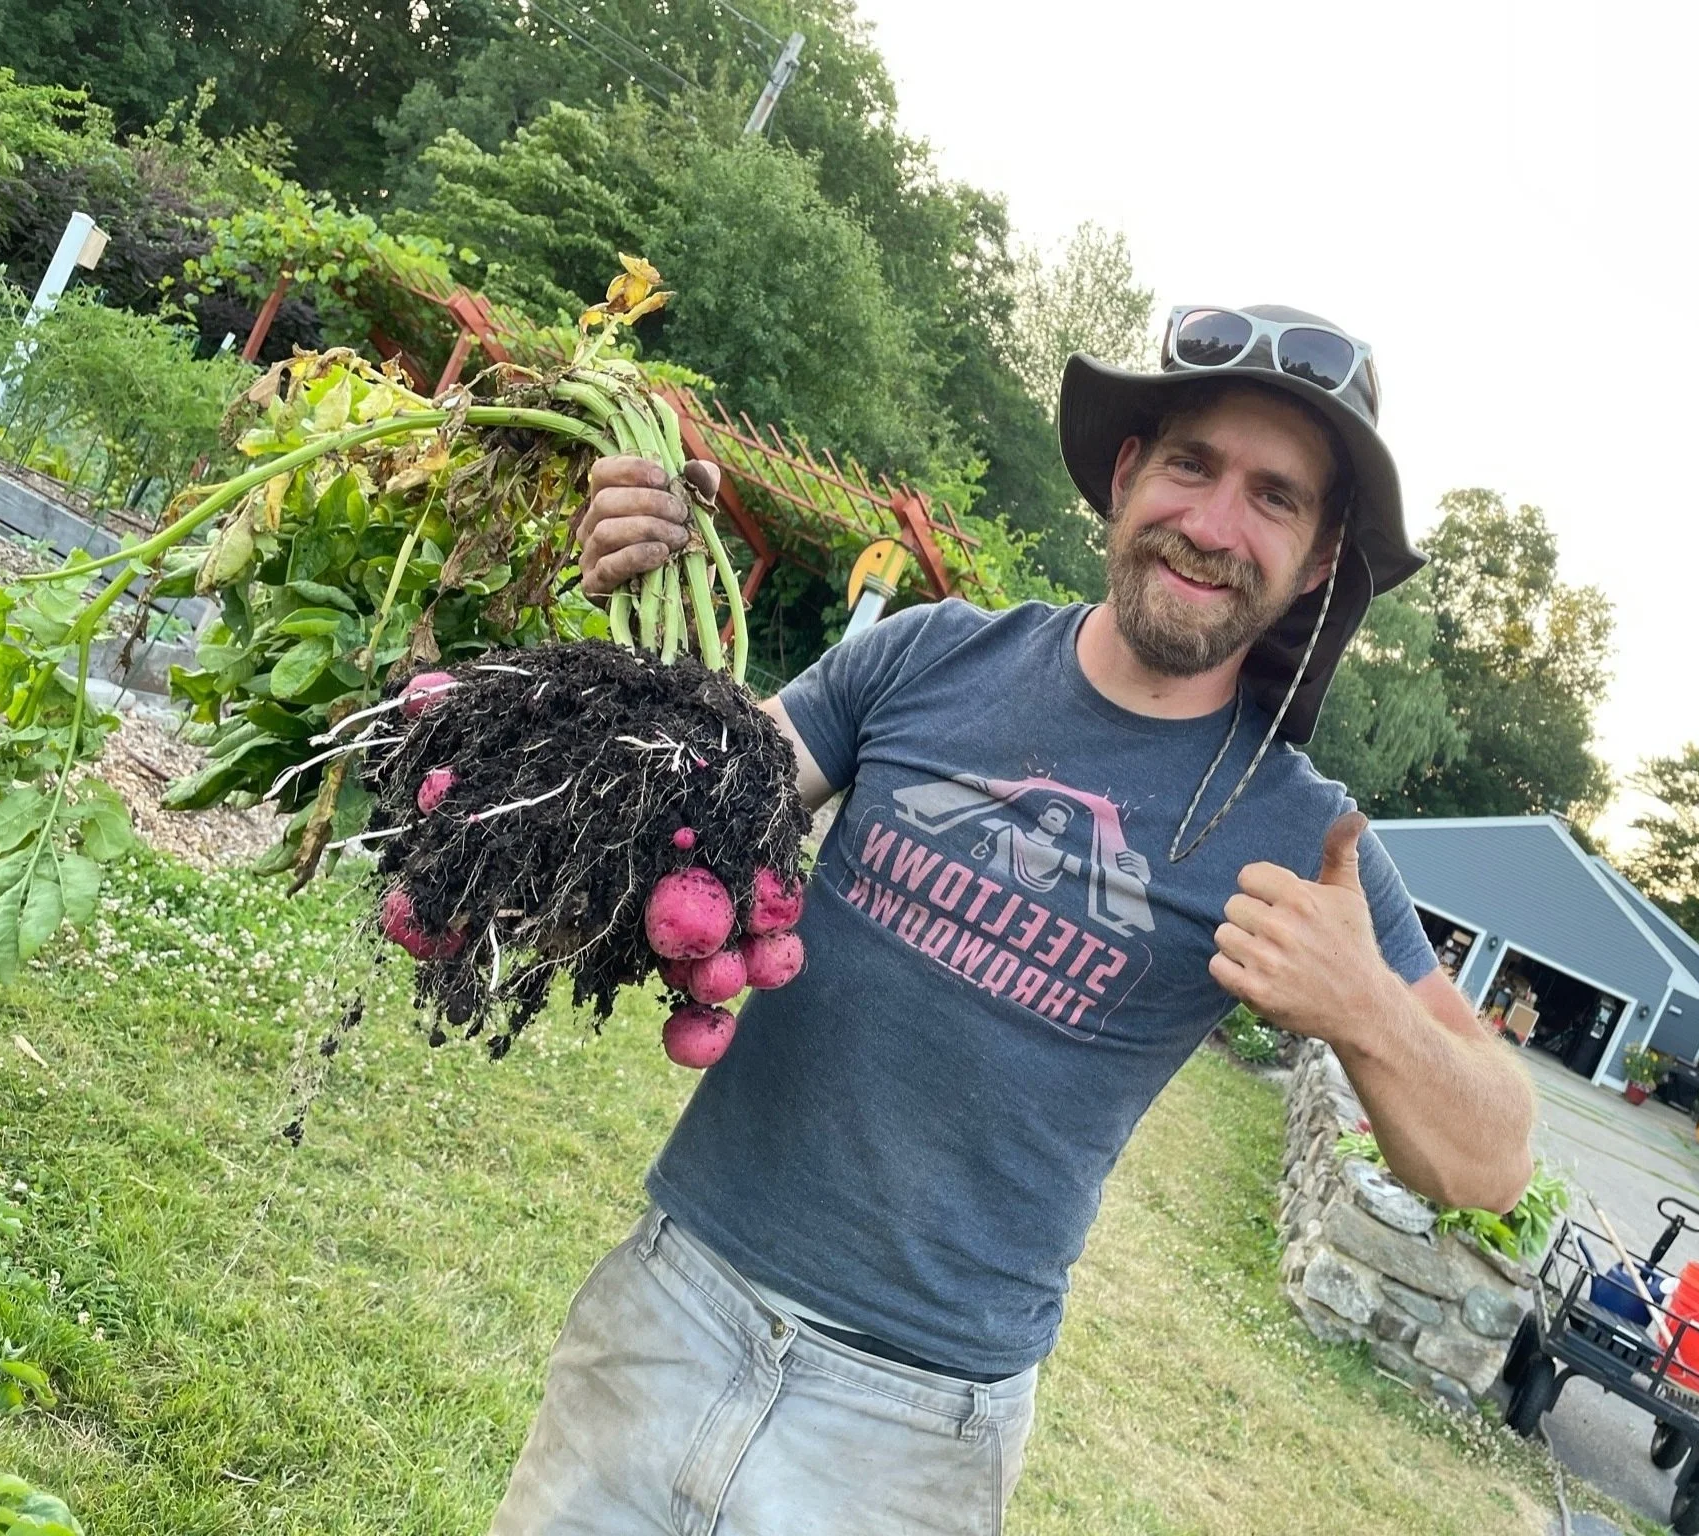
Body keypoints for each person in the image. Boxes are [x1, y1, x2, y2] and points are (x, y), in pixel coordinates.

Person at [490, 304, 1536, 1535]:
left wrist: (1367, 1010)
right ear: (1127, 473)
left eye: (1274, 497)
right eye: (1191, 465)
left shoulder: (1301, 834)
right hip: (670, 1314)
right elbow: (675, 833)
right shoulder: (929, 657)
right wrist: (629, 595)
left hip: (911, 1440)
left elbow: (1492, 1155)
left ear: (1316, 563)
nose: (1211, 525)